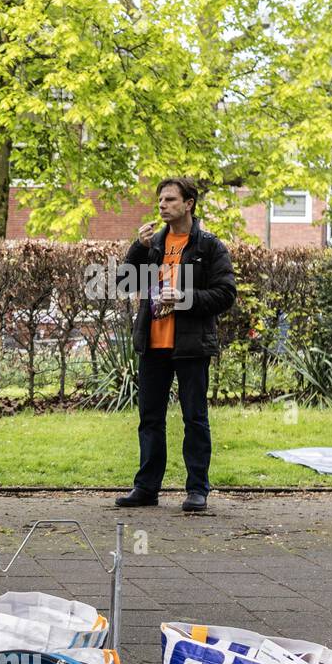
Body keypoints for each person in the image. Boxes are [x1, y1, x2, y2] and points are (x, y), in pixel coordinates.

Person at [114, 178, 235, 513]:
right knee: (150, 418)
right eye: (160, 200)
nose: (162, 205)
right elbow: (123, 284)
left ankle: (197, 489)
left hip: (191, 346)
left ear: (189, 203)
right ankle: (146, 488)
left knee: (194, 418)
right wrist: (137, 248)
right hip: (153, 344)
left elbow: (226, 294)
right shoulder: (152, 244)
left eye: (170, 199)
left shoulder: (208, 246)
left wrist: (184, 298)